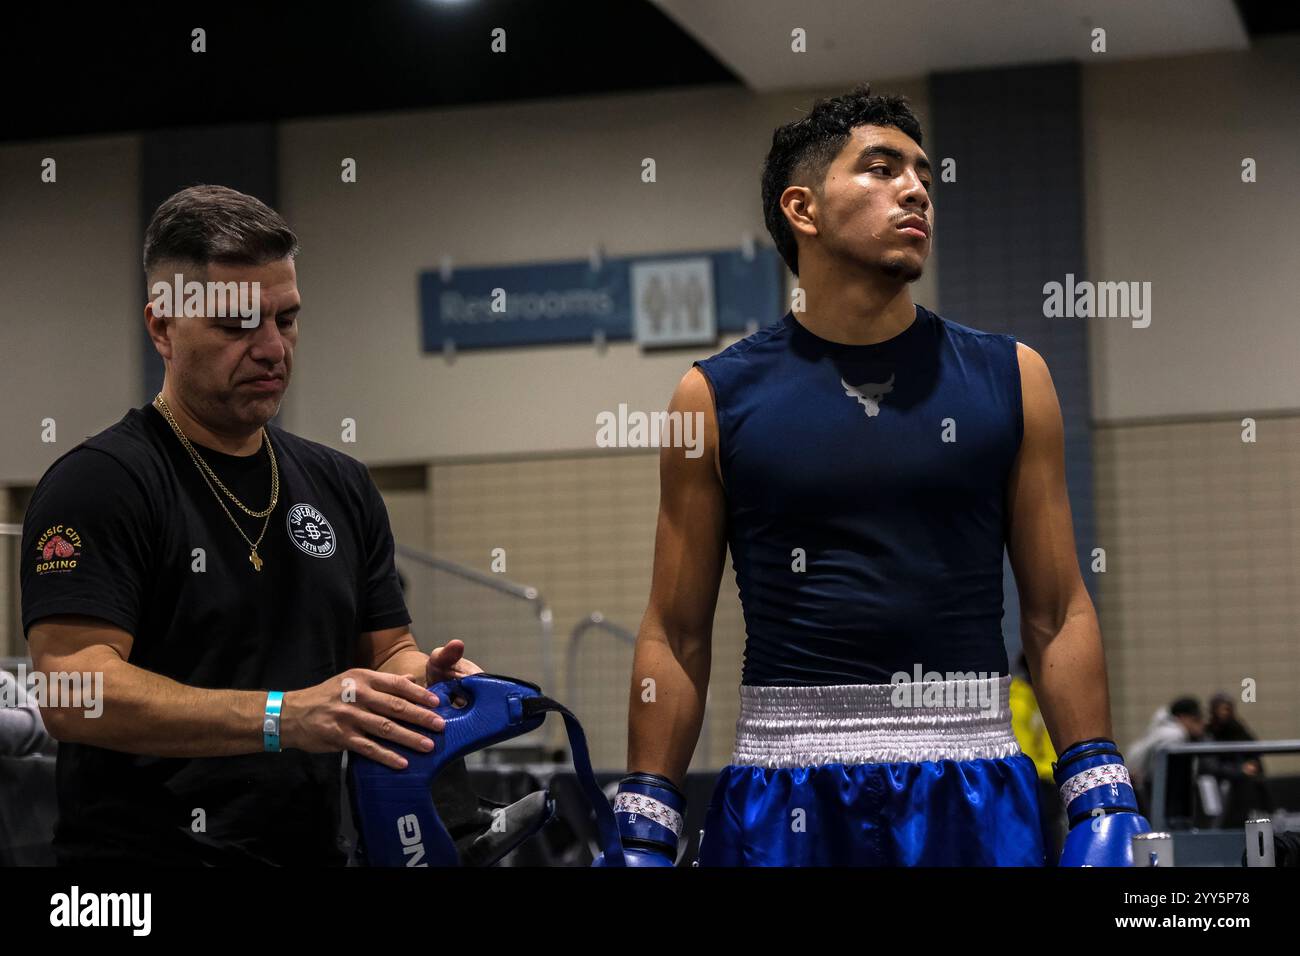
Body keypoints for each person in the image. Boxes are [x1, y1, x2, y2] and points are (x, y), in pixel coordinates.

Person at [607, 85, 1148, 866]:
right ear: (803, 209)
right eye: (882, 168)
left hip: (970, 792)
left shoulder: (1013, 377)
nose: (917, 189)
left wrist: (1099, 789)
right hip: (783, 798)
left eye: (924, 174)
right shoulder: (713, 397)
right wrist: (646, 817)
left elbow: (1058, 608)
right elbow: (676, 630)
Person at [21, 185, 479, 865]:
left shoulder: (341, 485)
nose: (272, 349)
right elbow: (70, 693)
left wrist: (428, 681)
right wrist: (281, 719)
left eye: (287, 320)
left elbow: (385, 652)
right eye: (238, 326)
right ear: (162, 328)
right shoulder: (101, 483)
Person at [1127, 697, 1204, 824]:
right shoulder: (1174, 735)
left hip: (1146, 780)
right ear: (1183, 717)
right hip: (1151, 783)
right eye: (1195, 720)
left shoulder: (1163, 729)